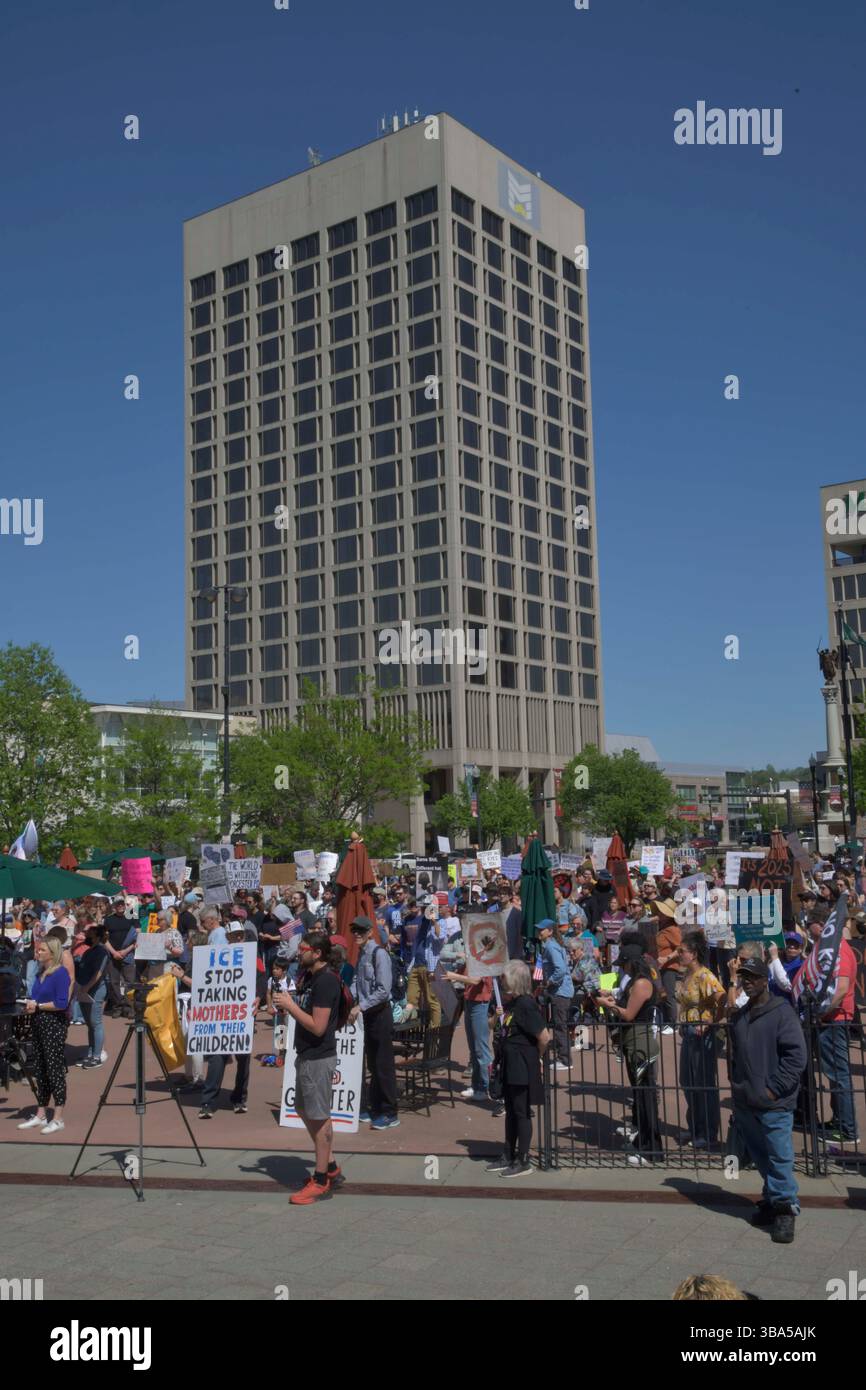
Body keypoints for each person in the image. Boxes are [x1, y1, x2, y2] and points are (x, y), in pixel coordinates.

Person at [728, 957, 807, 1244]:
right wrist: (738, 1088)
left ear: (765, 980)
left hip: (775, 1102)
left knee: (779, 1156)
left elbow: (796, 1056)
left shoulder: (782, 1013)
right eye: (743, 976)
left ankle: (786, 1208)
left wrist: (774, 1088)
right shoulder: (741, 1015)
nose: (747, 981)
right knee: (761, 1156)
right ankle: (772, 1200)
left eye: (752, 976)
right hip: (747, 1100)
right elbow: (735, 1057)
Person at [274, 929, 344, 1203]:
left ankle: (320, 1180)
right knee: (304, 1109)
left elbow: (318, 1027)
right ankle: (331, 1166)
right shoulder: (312, 978)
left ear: (317, 953)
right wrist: (287, 1005)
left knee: (319, 1115)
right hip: (306, 1055)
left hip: (318, 1056)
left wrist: (291, 1006)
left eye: (303, 949)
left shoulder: (326, 981)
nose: (298, 952)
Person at [597, 940, 663, 1166]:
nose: (621, 968)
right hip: (633, 1040)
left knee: (645, 1095)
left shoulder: (643, 983)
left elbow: (629, 1014)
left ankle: (651, 1148)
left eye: (624, 964)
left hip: (641, 1041)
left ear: (632, 963)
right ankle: (642, 1142)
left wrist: (609, 1005)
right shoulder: (635, 982)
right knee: (639, 1094)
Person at [485, 960, 551, 1177]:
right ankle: (508, 1153)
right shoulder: (511, 1003)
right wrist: (497, 1015)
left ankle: (523, 1160)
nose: (502, 981)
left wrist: (536, 1058)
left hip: (522, 1065)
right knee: (511, 1111)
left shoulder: (526, 1004)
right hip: (509, 1064)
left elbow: (544, 1037)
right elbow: (494, 1026)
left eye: (505, 977)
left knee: (521, 1112)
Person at [197, 921, 253, 1120]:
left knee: (243, 1058)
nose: (238, 938)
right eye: (234, 935)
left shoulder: (252, 955)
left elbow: (262, 981)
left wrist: (260, 997)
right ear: (227, 937)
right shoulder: (215, 956)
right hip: (220, 1016)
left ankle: (239, 1098)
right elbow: (204, 981)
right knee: (216, 1059)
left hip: (242, 1015)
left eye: (240, 935)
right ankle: (208, 1102)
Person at [676, 930, 727, 1149]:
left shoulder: (706, 975)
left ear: (694, 953)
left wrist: (709, 1023)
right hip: (687, 1032)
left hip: (701, 1034)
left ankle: (708, 1132)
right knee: (687, 1081)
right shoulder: (687, 974)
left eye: (682, 951)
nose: (679, 954)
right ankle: (695, 1127)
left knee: (703, 1083)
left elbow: (722, 998)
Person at [348, 916, 399, 1129]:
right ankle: (376, 1107)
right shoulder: (361, 955)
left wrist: (361, 1005)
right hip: (367, 1015)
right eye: (355, 931)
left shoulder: (379, 954)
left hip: (379, 1014)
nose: (357, 934)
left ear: (370, 932)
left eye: (361, 930)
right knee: (373, 1063)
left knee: (383, 1064)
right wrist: (347, 999)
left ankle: (390, 1112)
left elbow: (383, 990)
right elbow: (356, 984)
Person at [17, 938, 70, 1134]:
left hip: (54, 1025)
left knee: (54, 1069)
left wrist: (38, 1006)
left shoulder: (60, 973)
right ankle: (40, 1114)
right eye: (38, 950)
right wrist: (31, 1004)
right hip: (38, 1023)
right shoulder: (40, 974)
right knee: (40, 1069)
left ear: (52, 953)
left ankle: (58, 1117)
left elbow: (61, 1003)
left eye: (41, 950)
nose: (37, 952)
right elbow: (38, 998)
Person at [441, 958, 494, 1101]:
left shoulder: (483, 957)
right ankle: (476, 1085)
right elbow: (458, 976)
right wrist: (440, 977)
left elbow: (475, 980)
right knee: (474, 1048)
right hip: (470, 1002)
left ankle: (486, 1087)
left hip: (480, 1003)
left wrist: (454, 976)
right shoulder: (470, 958)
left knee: (481, 1048)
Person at [537, 920, 574, 1070]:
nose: (539, 932)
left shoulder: (551, 947)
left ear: (550, 931)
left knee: (560, 1026)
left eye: (542, 929)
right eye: (538, 929)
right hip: (559, 991)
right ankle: (563, 1058)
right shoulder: (551, 946)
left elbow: (561, 969)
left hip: (560, 992)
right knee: (559, 1025)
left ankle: (564, 1060)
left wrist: (549, 982)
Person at [74, 923, 110, 1070]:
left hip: (96, 990)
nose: (87, 935)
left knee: (96, 1023)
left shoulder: (102, 952)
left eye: (90, 933)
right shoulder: (89, 951)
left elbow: (98, 973)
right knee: (89, 1023)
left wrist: (86, 988)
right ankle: (90, 1053)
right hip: (85, 989)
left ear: (97, 936)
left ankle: (96, 1056)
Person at [405, 905, 444, 1026]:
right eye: (426, 908)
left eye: (431, 908)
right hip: (416, 964)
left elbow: (440, 937)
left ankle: (434, 1033)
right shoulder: (422, 921)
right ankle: (411, 1028)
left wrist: (434, 921)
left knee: (432, 1000)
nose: (428, 910)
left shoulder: (440, 921)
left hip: (430, 967)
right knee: (411, 999)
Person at [103, 896, 137, 1017]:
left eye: (122, 903)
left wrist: (125, 951)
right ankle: (118, 1006)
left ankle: (129, 1007)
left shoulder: (132, 915)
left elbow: (137, 938)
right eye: (118, 904)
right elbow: (104, 939)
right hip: (113, 956)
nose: (120, 906)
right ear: (114, 906)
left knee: (130, 982)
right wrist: (114, 952)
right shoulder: (108, 920)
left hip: (128, 954)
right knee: (114, 983)